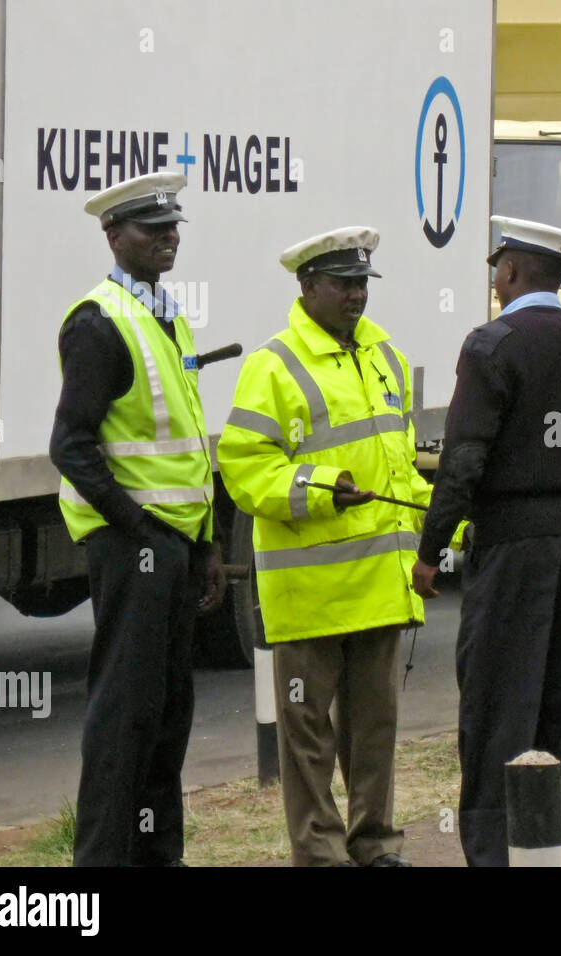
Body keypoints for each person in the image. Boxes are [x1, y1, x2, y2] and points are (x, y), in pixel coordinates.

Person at [218, 226, 445, 866]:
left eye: (361, 284)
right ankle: (320, 855)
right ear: (306, 285)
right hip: (310, 593)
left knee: (374, 731)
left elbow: (403, 467)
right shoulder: (275, 365)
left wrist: (441, 530)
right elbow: (243, 467)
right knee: (308, 738)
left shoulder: (386, 358)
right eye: (342, 284)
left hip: (379, 589)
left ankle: (374, 846)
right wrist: (319, 487)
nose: (355, 296)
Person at [412, 216, 561, 867]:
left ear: (510, 272)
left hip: (510, 549)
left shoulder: (491, 347)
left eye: (495, 270)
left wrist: (430, 549)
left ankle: (495, 855)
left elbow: (463, 462)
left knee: (498, 709)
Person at [50, 171, 225, 866]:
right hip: (135, 548)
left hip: (177, 545)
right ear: (113, 236)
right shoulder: (96, 323)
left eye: (173, 227)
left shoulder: (169, 315)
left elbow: (186, 442)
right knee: (125, 716)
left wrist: (206, 543)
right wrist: (137, 527)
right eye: (153, 230)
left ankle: (159, 857)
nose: (169, 238)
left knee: (167, 714)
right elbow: (71, 446)